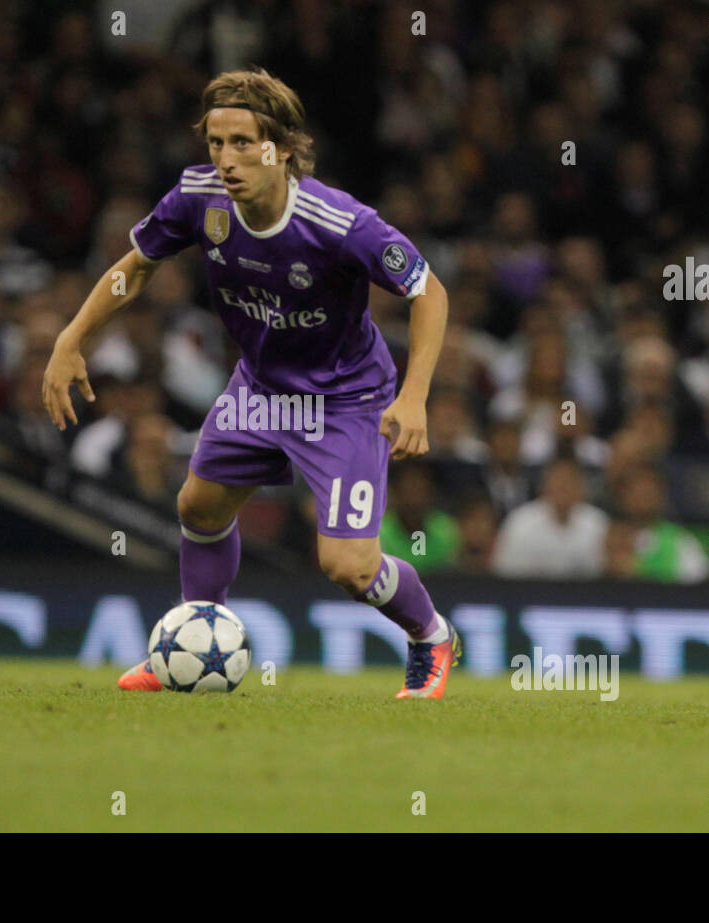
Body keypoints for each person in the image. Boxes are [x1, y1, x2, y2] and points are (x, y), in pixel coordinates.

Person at [44, 69, 459, 698]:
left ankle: (430, 635)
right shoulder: (197, 199)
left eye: (244, 142)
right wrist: (70, 339)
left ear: (283, 147)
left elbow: (429, 291)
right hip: (260, 391)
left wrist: (415, 395)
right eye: (216, 142)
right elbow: (137, 267)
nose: (226, 159)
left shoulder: (339, 222)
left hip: (345, 400)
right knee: (197, 506)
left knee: (347, 567)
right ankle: (189, 640)